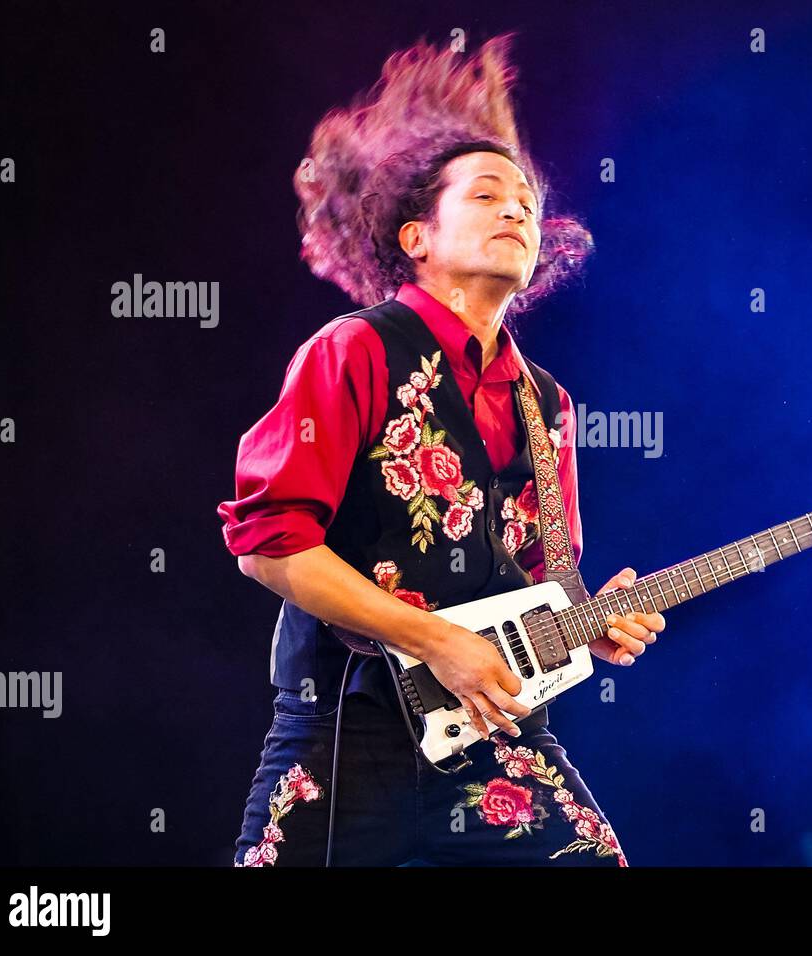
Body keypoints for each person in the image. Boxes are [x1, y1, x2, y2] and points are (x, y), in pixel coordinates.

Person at [216, 34, 664, 867]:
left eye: (527, 203)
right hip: (352, 732)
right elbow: (269, 547)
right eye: (489, 194)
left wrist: (590, 624)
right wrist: (431, 641)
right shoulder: (352, 352)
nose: (517, 211)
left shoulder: (549, 406)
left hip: (497, 731)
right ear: (416, 236)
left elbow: (534, 589)